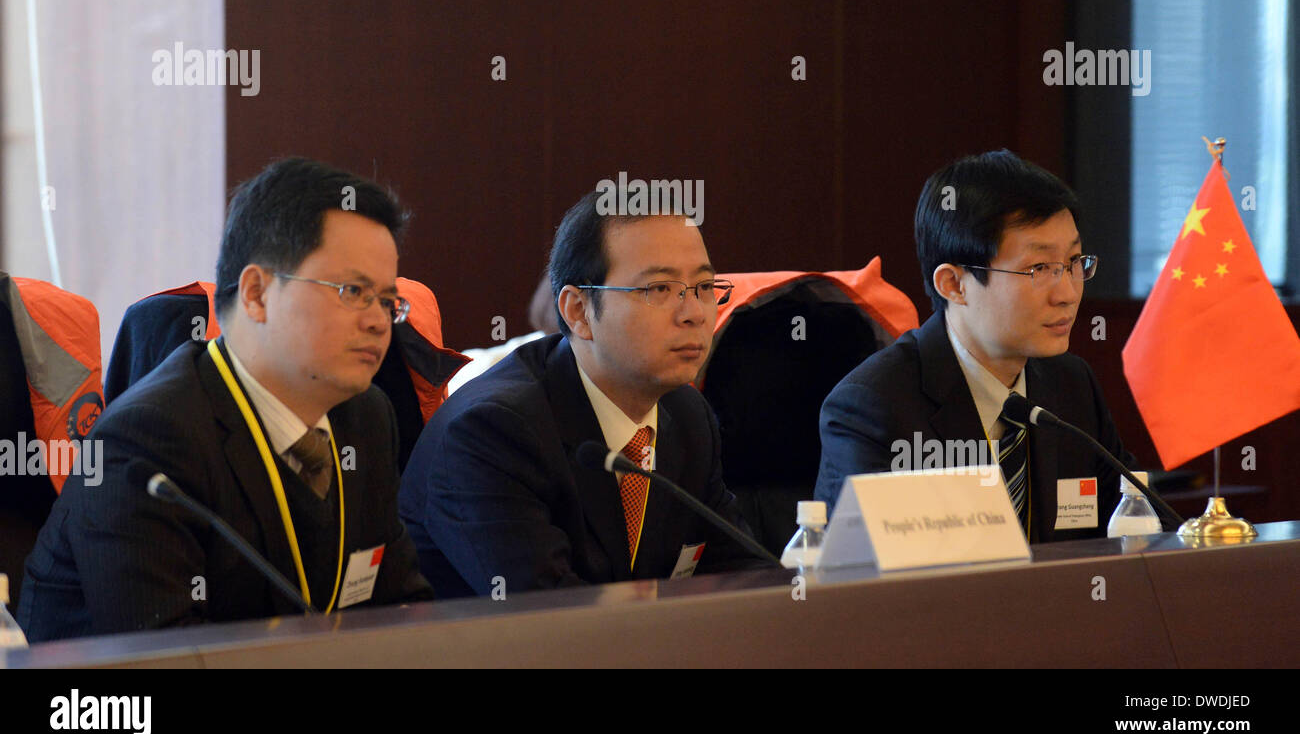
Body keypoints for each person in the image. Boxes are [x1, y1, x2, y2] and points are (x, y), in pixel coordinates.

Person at [20, 158, 432, 640]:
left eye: (387, 300)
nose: (379, 321)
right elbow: (168, 657)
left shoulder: (366, 418)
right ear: (256, 293)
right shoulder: (149, 440)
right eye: (352, 291)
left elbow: (402, 605)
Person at [399, 190, 763, 596]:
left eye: (703, 286)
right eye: (659, 289)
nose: (694, 312)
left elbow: (741, 572)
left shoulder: (686, 413)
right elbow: (555, 618)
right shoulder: (492, 432)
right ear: (578, 311)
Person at [815, 149, 1138, 542]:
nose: (1068, 293)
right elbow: (861, 581)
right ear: (953, 284)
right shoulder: (874, 407)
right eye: (1039, 269)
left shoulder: (1071, 386)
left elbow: (1136, 524)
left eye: (1073, 262)